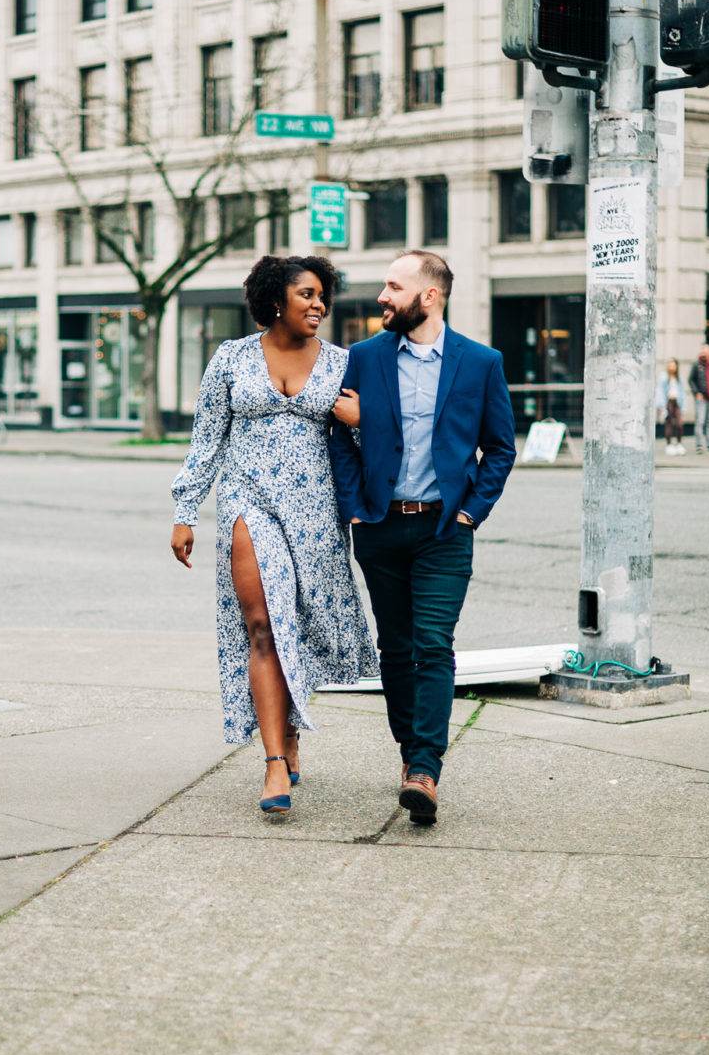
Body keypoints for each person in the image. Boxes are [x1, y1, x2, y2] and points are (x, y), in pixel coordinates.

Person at [171, 255, 377, 815]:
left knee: (299, 623)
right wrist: (186, 510)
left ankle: (289, 729)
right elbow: (207, 439)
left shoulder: (343, 363)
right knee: (261, 623)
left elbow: (366, 451)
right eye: (306, 294)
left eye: (322, 295)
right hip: (248, 503)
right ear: (276, 299)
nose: (318, 304)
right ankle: (274, 763)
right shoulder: (232, 358)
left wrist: (362, 425)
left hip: (316, 513)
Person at [329, 251, 516, 822]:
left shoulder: (481, 363)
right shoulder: (362, 357)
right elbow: (339, 433)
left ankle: (424, 770)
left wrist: (470, 514)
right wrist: (356, 505)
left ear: (428, 296)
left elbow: (500, 448)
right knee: (396, 649)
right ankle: (412, 755)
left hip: (443, 528)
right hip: (382, 527)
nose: (382, 296)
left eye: (393, 285)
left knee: (434, 645)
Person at [655, 358, 687, 455]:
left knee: (679, 424)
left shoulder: (679, 378)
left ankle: (679, 443)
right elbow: (660, 391)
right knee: (668, 423)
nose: (672, 367)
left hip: (677, 401)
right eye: (670, 365)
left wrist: (684, 406)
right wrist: (661, 407)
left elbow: (682, 392)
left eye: (673, 365)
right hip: (668, 402)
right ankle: (668, 444)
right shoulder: (663, 377)